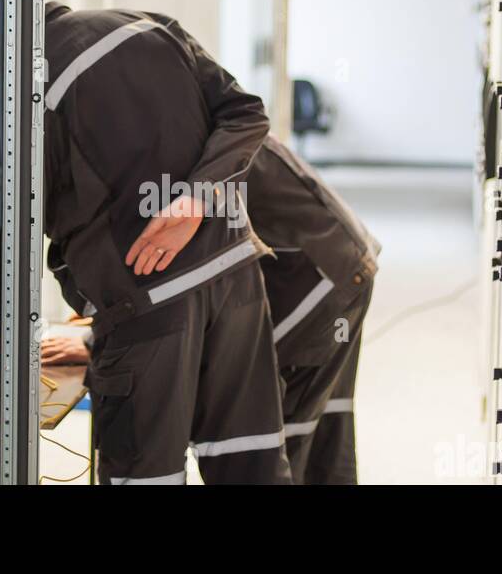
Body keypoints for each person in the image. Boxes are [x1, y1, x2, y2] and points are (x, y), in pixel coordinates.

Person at [0, 0, 292, 485]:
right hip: (236, 283)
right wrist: (198, 198)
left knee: (142, 476)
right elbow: (245, 113)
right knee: (253, 464)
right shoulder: (144, 27)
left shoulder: (14, 111)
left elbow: (0, 254)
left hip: (147, 309)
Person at [45, 135, 380, 484]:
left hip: (315, 275)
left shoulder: (151, 134)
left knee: (270, 432)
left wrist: (95, 340)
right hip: (341, 259)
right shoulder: (179, 110)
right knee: (324, 428)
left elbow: (173, 265)